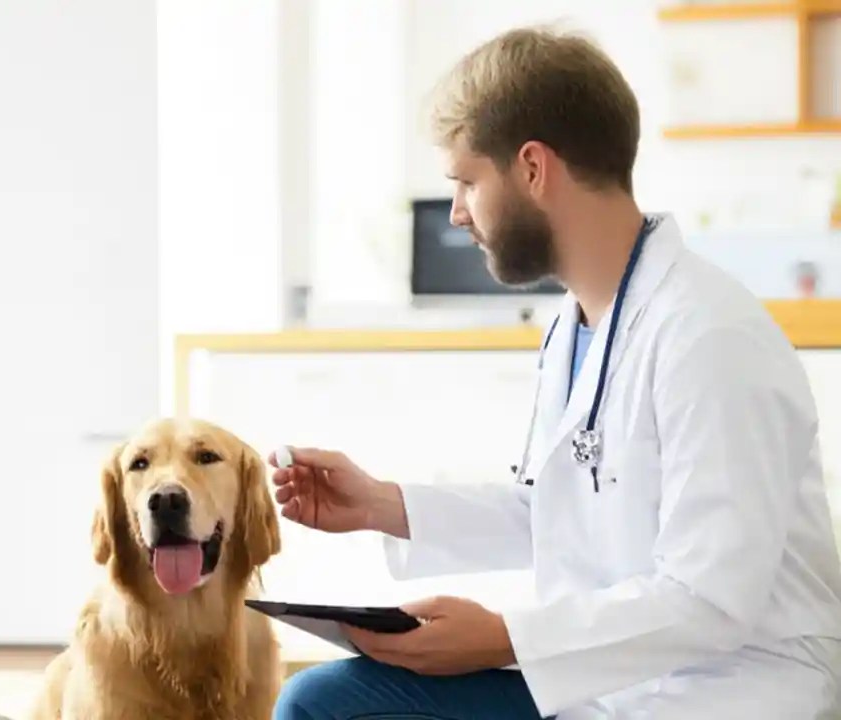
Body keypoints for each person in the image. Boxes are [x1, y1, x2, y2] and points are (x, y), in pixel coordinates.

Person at [270, 27, 841, 720]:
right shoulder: (579, 324)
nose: (457, 213)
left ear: (533, 168)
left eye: (466, 182)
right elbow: (559, 507)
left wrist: (503, 638)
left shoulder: (710, 337)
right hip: (609, 689)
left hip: (731, 695)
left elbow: (711, 598)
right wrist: (381, 504)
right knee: (325, 701)